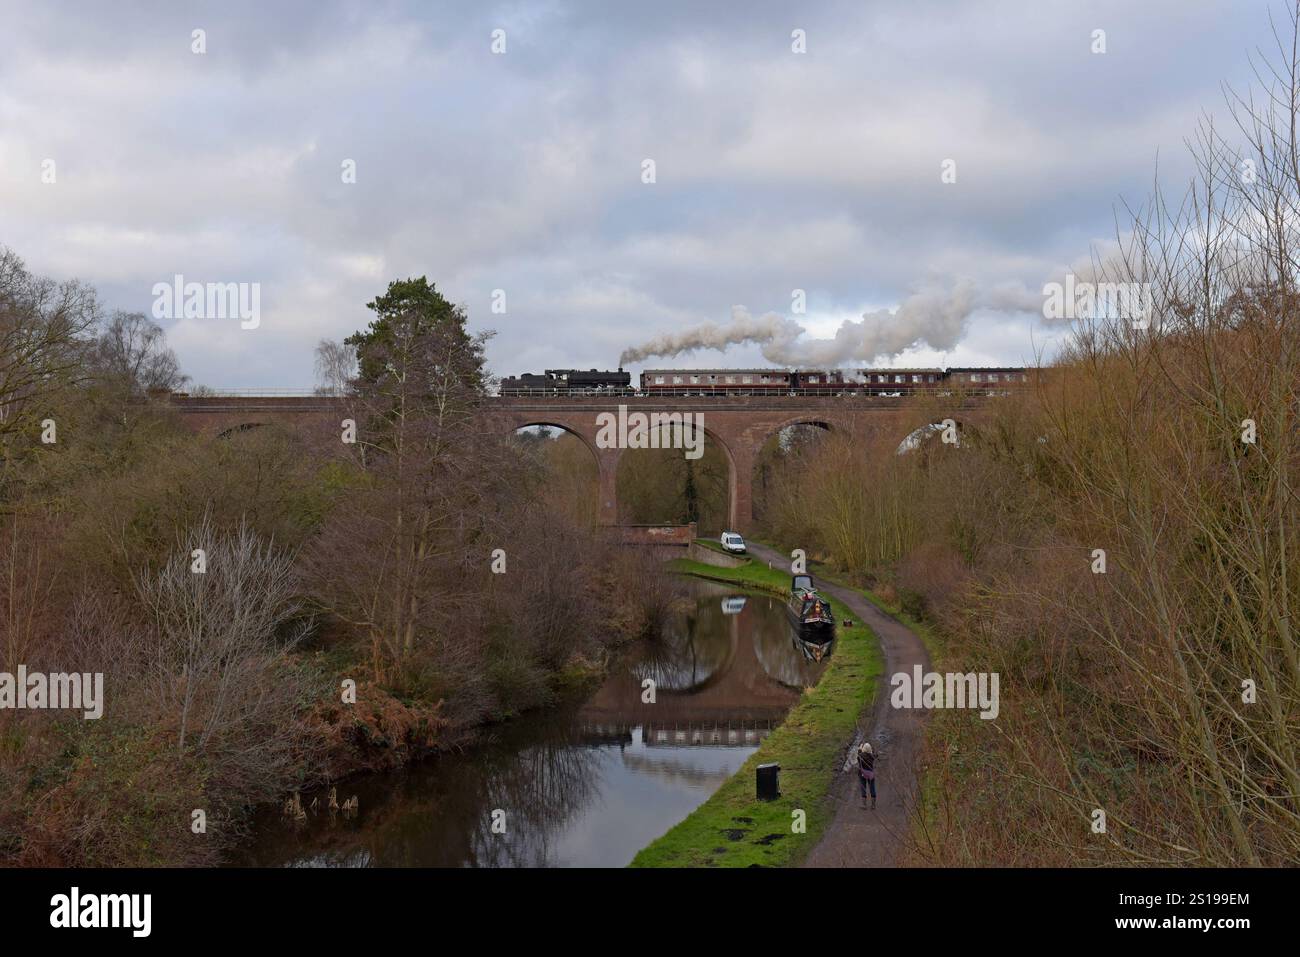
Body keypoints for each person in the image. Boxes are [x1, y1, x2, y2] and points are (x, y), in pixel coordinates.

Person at [857, 741, 877, 809]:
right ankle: (873, 805)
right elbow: (875, 754)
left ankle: (864, 805)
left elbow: (858, 756)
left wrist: (860, 749)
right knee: (872, 788)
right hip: (870, 774)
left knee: (863, 788)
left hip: (862, 774)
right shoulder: (872, 757)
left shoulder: (860, 756)